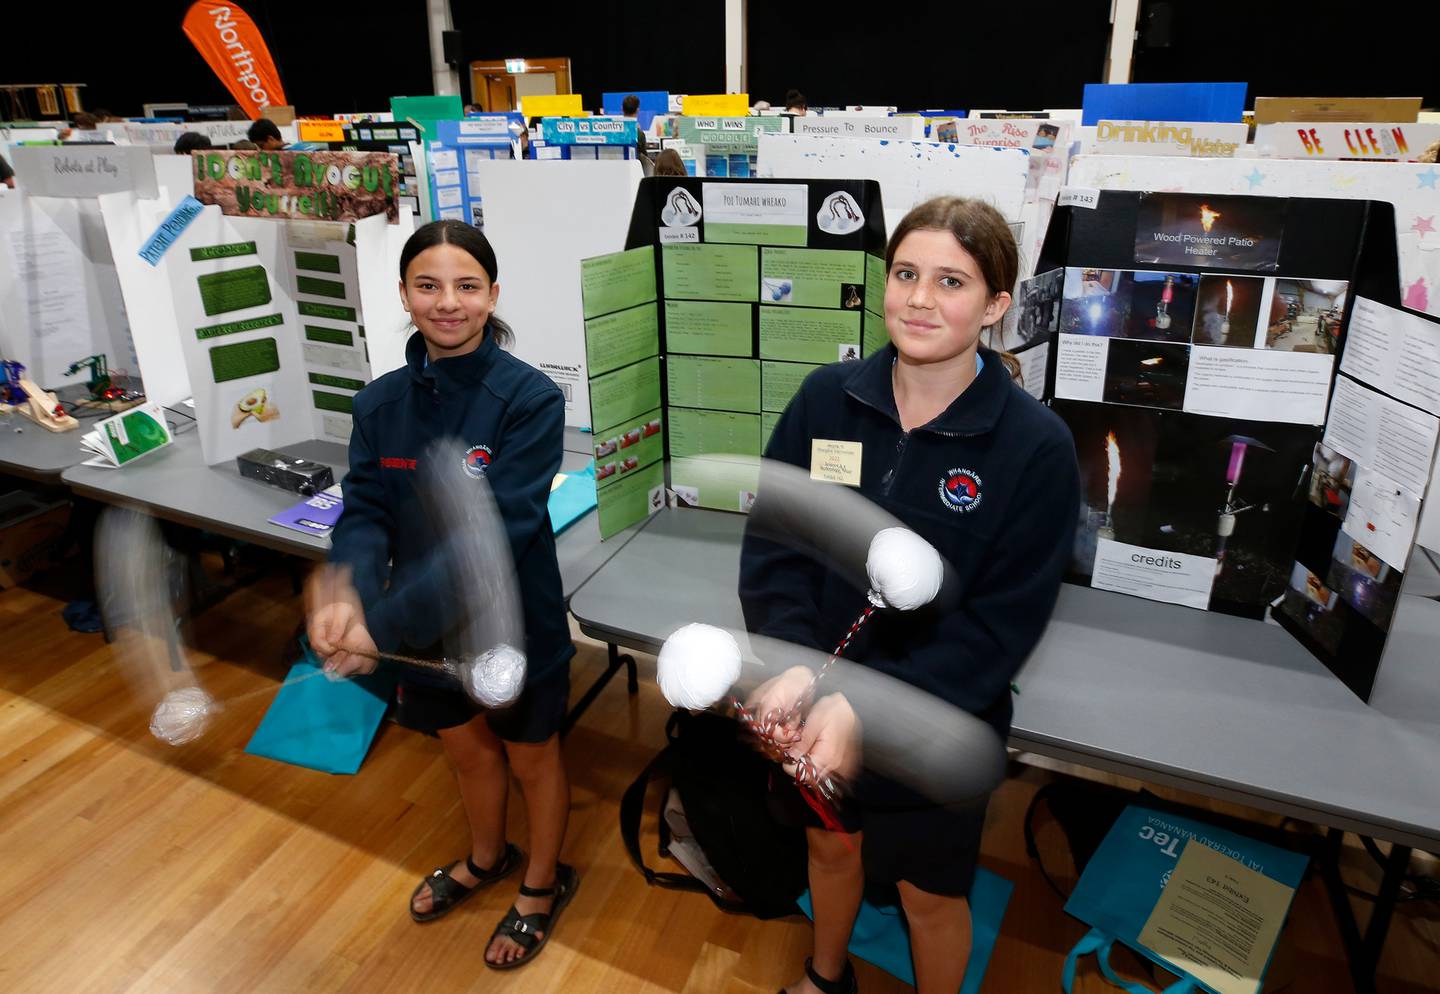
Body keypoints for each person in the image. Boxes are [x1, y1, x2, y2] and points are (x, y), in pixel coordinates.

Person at [739, 196, 1079, 994]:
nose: (921, 297)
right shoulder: (826, 399)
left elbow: (1003, 626)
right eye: (906, 273)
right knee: (829, 846)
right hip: (814, 707)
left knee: (929, 895)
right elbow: (774, 549)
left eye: (951, 281)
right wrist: (788, 664)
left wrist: (871, 708)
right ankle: (827, 977)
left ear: (996, 305)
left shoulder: (1034, 448)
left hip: (936, 722)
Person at [308, 219, 578, 969]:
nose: (447, 303)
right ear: (403, 294)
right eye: (428, 286)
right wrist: (353, 596)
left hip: (511, 623)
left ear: (493, 295)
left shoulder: (528, 401)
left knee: (531, 757)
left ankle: (541, 882)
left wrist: (380, 622)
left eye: (466, 286)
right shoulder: (380, 405)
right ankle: (487, 858)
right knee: (465, 753)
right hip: (420, 633)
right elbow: (364, 513)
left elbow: (489, 539)